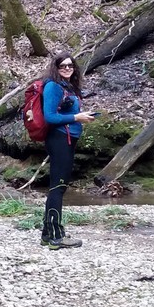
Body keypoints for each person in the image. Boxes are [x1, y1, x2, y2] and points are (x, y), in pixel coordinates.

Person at [41, 51, 95, 250]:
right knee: (58, 186)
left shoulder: (69, 88)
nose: (66, 69)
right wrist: (76, 118)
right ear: (55, 68)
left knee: (59, 186)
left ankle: (48, 234)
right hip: (59, 138)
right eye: (62, 66)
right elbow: (50, 117)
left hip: (69, 138)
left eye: (70, 66)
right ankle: (56, 236)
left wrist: (81, 117)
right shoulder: (53, 87)